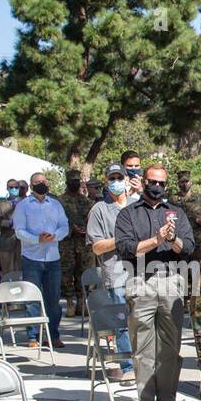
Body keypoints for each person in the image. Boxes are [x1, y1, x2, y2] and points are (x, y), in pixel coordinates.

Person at [114, 165, 194, 401]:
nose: (156, 186)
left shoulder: (177, 213)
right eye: (152, 181)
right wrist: (156, 240)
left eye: (161, 183)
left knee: (170, 346)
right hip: (141, 281)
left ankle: (167, 400)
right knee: (145, 346)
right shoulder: (129, 214)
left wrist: (173, 241)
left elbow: (189, 247)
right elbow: (125, 248)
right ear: (143, 181)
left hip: (172, 281)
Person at [86, 163, 137, 381]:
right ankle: (128, 367)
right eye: (111, 178)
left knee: (143, 323)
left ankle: (145, 365)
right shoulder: (99, 210)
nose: (115, 182)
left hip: (142, 274)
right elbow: (96, 246)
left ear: (127, 180)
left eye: (119, 177)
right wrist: (121, 241)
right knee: (122, 324)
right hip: (115, 274)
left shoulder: (138, 205)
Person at [13, 171, 69, 347]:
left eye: (44, 181)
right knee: (33, 298)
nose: (41, 184)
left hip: (53, 257)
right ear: (31, 186)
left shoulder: (56, 204)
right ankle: (33, 336)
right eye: (37, 182)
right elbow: (19, 231)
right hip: (32, 257)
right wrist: (37, 239)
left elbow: (64, 226)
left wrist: (54, 236)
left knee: (53, 299)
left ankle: (52, 335)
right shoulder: (23, 206)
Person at [58, 170, 94, 315]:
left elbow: (91, 218)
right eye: (72, 181)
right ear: (67, 182)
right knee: (66, 273)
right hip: (66, 243)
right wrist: (71, 228)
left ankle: (81, 302)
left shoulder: (86, 201)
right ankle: (69, 302)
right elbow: (56, 221)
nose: (75, 183)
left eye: (77, 181)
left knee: (83, 272)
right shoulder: (59, 201)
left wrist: (86, 229)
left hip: (82, 244)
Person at [171, 169, 201, 264]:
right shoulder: (172, 200)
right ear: (178, 183)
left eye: (186, 181)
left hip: (197, 243)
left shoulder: (200, 200)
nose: (184, 184)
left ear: (191, 182)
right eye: (182, 182)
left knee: (198, 274)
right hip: (179, 242)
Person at [0, 179, 25, 276]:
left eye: (16, 187)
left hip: (24, 242)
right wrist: (9, 223)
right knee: (7, 271)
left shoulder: (27, 202)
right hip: (7, 240)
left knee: (22, 270)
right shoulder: (0, 204)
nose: (14, 189)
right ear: (7, 188)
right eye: (11, 187)